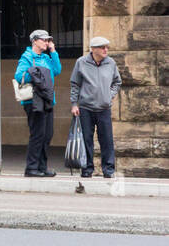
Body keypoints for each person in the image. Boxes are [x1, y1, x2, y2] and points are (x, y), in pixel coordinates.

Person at [70, 36, 121, 178]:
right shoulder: (81, 62)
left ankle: (108, 170)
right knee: (86, 140)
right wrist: (74, 104)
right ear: (93, 49)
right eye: (102, 47)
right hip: (86, 108)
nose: (106, 50)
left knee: (107, 140)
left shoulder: (110, 63)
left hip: (104, 108)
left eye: (107, 47)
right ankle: (87, 169)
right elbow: (75, 84)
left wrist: (108, 95)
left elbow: (117, 82)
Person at [14, 28, 62, 177]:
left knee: (47, 134)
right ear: (35, 41)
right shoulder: (27, 57)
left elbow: (57, 70)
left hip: (47, 100)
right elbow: (19, 76)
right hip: (34, 102)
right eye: (44, 40)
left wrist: (53, 51)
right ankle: (31, 168)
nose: (47, 42)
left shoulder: (46, 57)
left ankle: (42, 167)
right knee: (37, 134)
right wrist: (36, 72)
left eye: (48, 40)